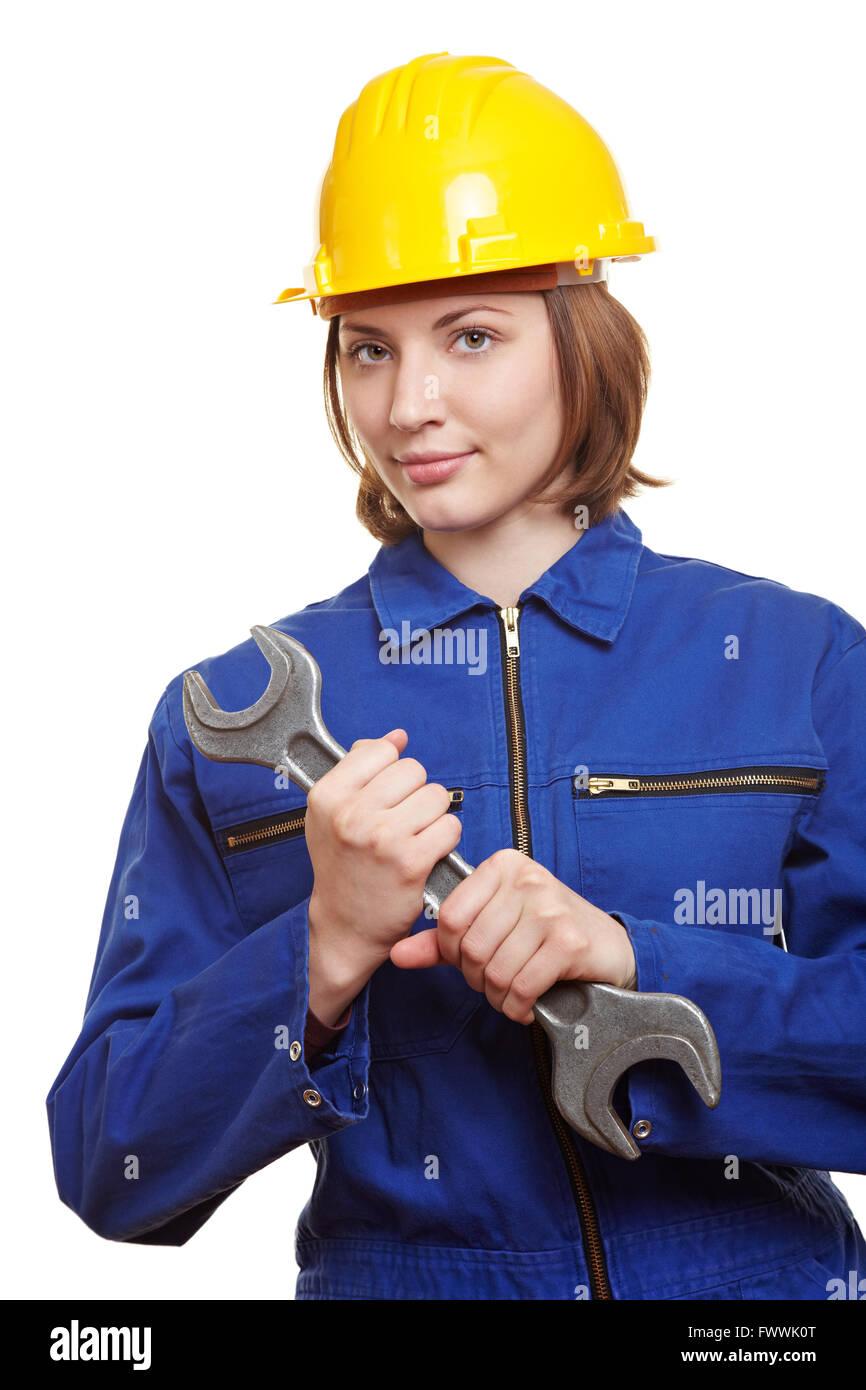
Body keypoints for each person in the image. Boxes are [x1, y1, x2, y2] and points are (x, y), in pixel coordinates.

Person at [47, 51, 866, 1301]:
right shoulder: (233, 720)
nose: (410, 404)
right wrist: (319, 952)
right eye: (367, 349)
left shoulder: (795, 661)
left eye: (470, 336)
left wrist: (639, 963)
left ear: (581, 336)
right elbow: (113, 1161)